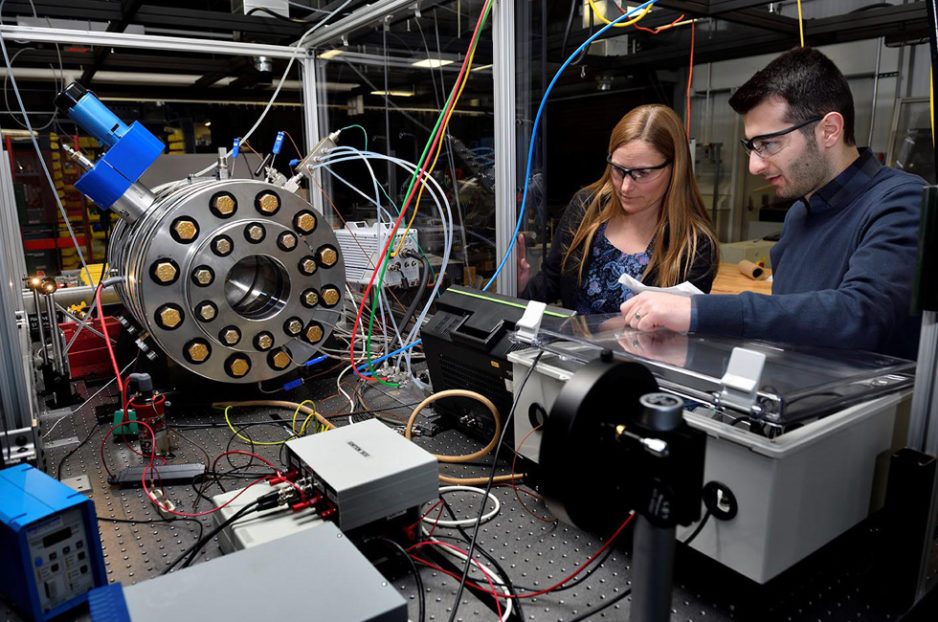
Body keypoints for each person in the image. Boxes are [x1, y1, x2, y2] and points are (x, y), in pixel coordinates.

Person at [620, 47, 925, 359]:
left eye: (768, 144)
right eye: (752, 146)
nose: (755, 166)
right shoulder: (799, 214)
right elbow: (794, 329)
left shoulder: (903, 201)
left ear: (829, 130)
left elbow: (861, 315)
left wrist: (699, 311)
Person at [518, 104, 719, 314]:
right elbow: (551, 282)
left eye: (642, 173)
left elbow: (676, 329)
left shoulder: (695, 245)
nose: (625, 187)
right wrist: (522, 289)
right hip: (570, 346)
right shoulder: (586, 207)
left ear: (675, 168)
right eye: (618, 170)